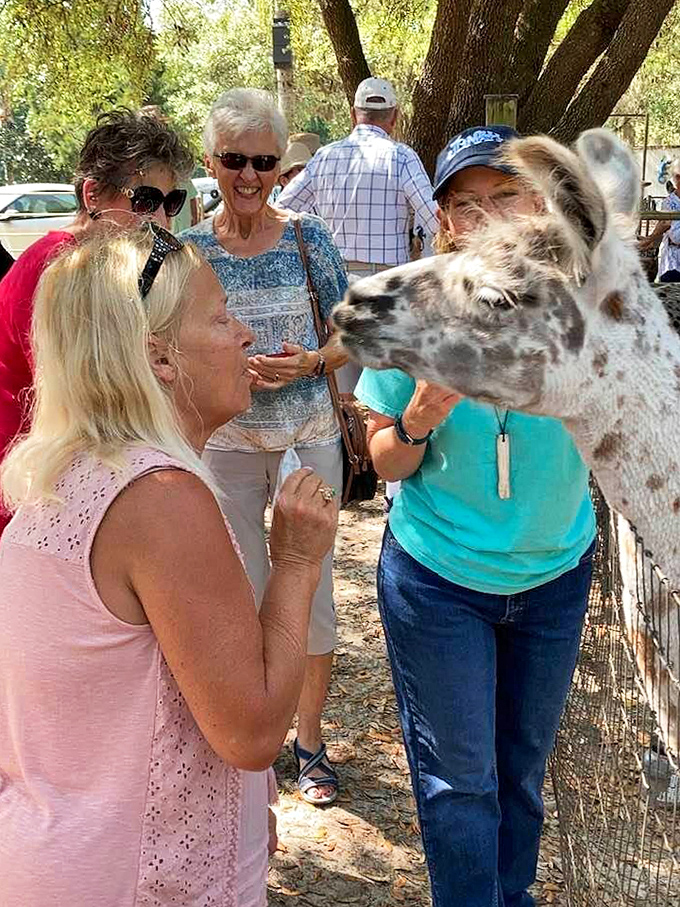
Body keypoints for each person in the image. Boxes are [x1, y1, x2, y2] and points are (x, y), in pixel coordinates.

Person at [0, 225, 338, 905]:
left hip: (58, 859)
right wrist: (297, 561)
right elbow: (250, 728)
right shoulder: (161, 499)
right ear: (158, 356)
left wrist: (244, 803)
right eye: (219, 317)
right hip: (134, 878)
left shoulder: (69, 474)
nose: (244, 334)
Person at [355, 125, 596, 907]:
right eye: (465, 204)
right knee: (461, 781)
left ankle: (510, 894)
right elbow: (386, 460)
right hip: (439, 581)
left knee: (521, 771)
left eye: (505, 196)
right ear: (445, 222)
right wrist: (421, 413)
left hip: (554, 574)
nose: (486, 217)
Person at [181, 88, 349, 805]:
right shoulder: (188, 253)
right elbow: (164, 349)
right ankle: (252, 742)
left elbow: (353, 334)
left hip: (308, 441)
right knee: (237, 591)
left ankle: (308, 743)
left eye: (264, 161)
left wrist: (310, 362)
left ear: (281, 165)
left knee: (311, 593)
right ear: (211, 162)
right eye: (234, 159)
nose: (249, 175)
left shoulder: (310, 238)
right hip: (224, 449)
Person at [0, 107, 193, 535]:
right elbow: (87, 395)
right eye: (144, 200)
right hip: (30, 490)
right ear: (92, 195)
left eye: (171, 202)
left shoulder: (116, 269)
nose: (160, 220)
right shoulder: (55, 269)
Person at [277, 76, 438, 403]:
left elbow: (281, 211)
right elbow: (432, 218)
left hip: (334, 288)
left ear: (354, 114)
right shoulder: (401, 157)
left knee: (343, 393)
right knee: (383, 399)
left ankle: (348, 453)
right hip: (386, 289)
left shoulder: (324, 157)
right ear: (394, 117)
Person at [639, 159, 680, 281]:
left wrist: (650, 239)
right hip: (674, 266)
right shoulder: (669, 203)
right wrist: (649, 239)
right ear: (678, 178)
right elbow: (677, 236)